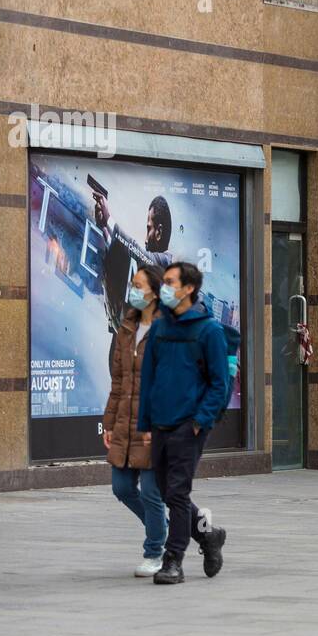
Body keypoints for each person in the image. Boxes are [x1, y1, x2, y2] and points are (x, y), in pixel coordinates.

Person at [137, 262, 230, 585]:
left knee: (176, 491)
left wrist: (200, 421)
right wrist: (145, 424)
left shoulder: (209, 331)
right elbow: (148, 378)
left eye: (170, 282)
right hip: (160, 423)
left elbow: (221, 384)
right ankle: (209, 536)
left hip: (188, 425)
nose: (164, 287)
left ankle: (173, 560)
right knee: (167, 491)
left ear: (188, 288)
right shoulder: (161, 329)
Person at [104, 264, 168, 577]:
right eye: (132, 283)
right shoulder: (126, 328)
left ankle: (154, 550)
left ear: (154, 293)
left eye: (138, 285)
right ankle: (161, 527)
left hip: (155, 425)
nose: (132, 290)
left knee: (150, 492)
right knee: (122, 487)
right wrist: (109, 421)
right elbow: (118, 381)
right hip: (125, 423)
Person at [92, 188, 173, 331]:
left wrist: (109, 219)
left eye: (149, 230)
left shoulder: (164, 263)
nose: (146, 239)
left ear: (159, 232)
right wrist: (104, 228)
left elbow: (135, 251)